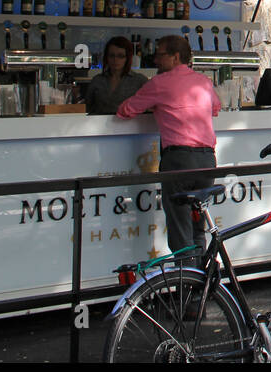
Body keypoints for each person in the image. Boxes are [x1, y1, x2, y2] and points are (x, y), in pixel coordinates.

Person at [116, 35, 220, 261]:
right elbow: (216, 108)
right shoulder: (203, 81)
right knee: (197, 225)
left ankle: (186, 286)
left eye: (160, 54)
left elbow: (126, 110)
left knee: (180, 228)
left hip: (179, 160)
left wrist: (156, 107)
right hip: (207, 161)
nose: (156, 59)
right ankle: (201, 283)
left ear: (175, 57)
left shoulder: (159, 83)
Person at [84, 36, 147, 115]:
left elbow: (147, 111)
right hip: (99, 125)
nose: (115, 60)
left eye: (120, 56)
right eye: (111, 55)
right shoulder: (97, 80)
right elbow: (87, 109)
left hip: (130, 125)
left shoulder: (139, 81)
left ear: (127, 58)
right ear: (106, 57)